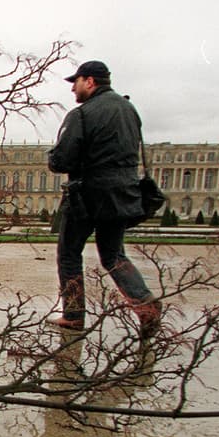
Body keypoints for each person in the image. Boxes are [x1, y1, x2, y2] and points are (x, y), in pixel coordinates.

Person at [46, 60, 161, 335]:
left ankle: (73, 315)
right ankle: (144, 304)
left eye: (76, 82)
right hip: (123, 194)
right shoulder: (129, 110)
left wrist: (52, 157)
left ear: (90, 81)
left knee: (70, 253)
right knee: (113, 254)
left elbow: (62, 159)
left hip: (87, 196)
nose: (73, 88)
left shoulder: (81, 115)